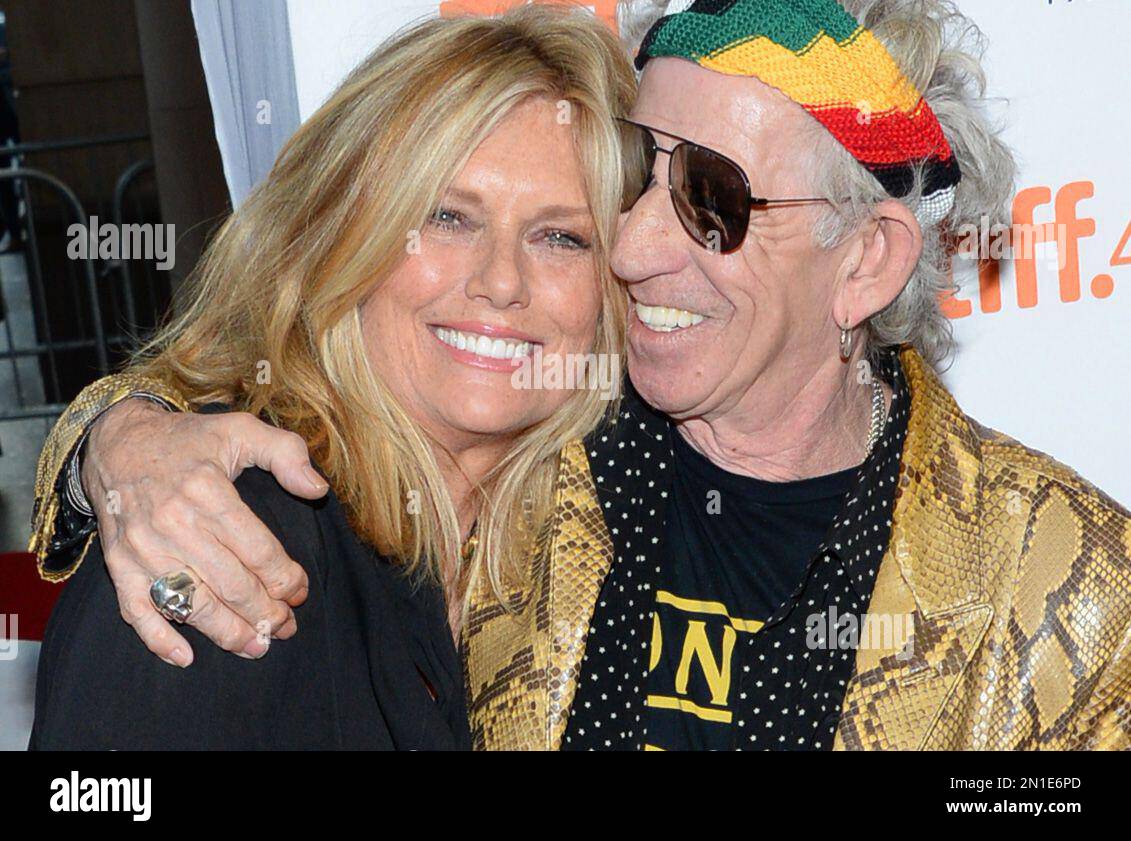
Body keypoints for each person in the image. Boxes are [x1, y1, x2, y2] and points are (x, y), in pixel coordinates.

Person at [31, 0, 1131, 751]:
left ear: (867, 260)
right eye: (634, 177)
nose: (638, 244)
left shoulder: (1059, 585)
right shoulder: (545, 454)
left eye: (712, 196)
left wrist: (114, 443)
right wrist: (123, 442)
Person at [29, 5, 634, 749]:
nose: (502, 282)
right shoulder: (221, 546)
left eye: (560, 236)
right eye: (446, 216)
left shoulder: (616, 517)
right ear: (338, 235)